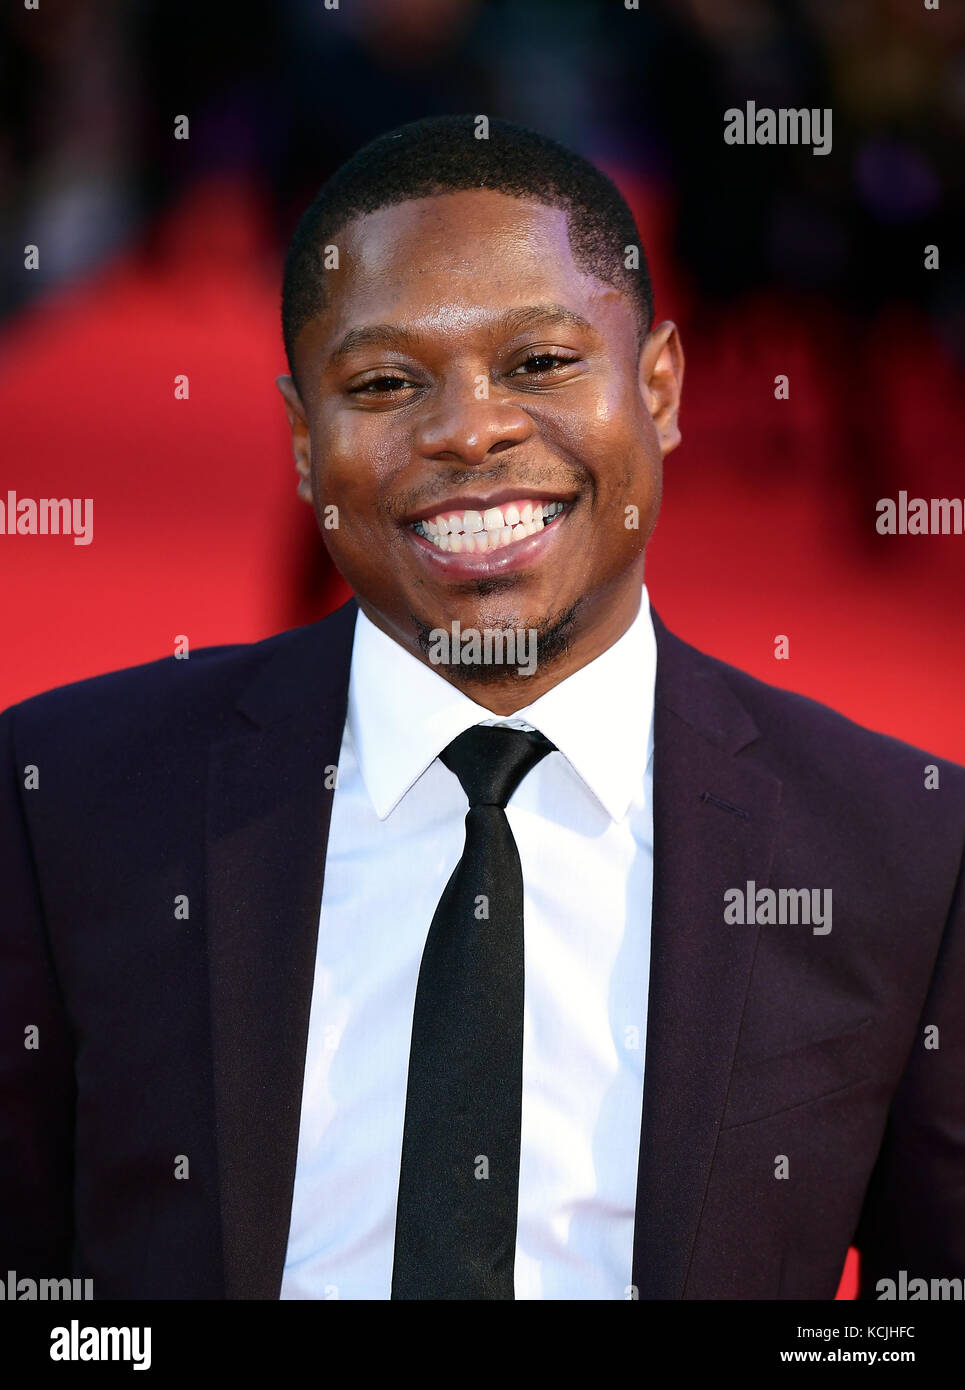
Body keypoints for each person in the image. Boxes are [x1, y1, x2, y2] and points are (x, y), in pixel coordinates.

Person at [1, 115, 963, 1302]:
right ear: (303, 444)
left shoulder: (902, 846)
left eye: (540, 363)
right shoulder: (63, 799)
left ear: (658, 387)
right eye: (385, 382)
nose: (468, 429)